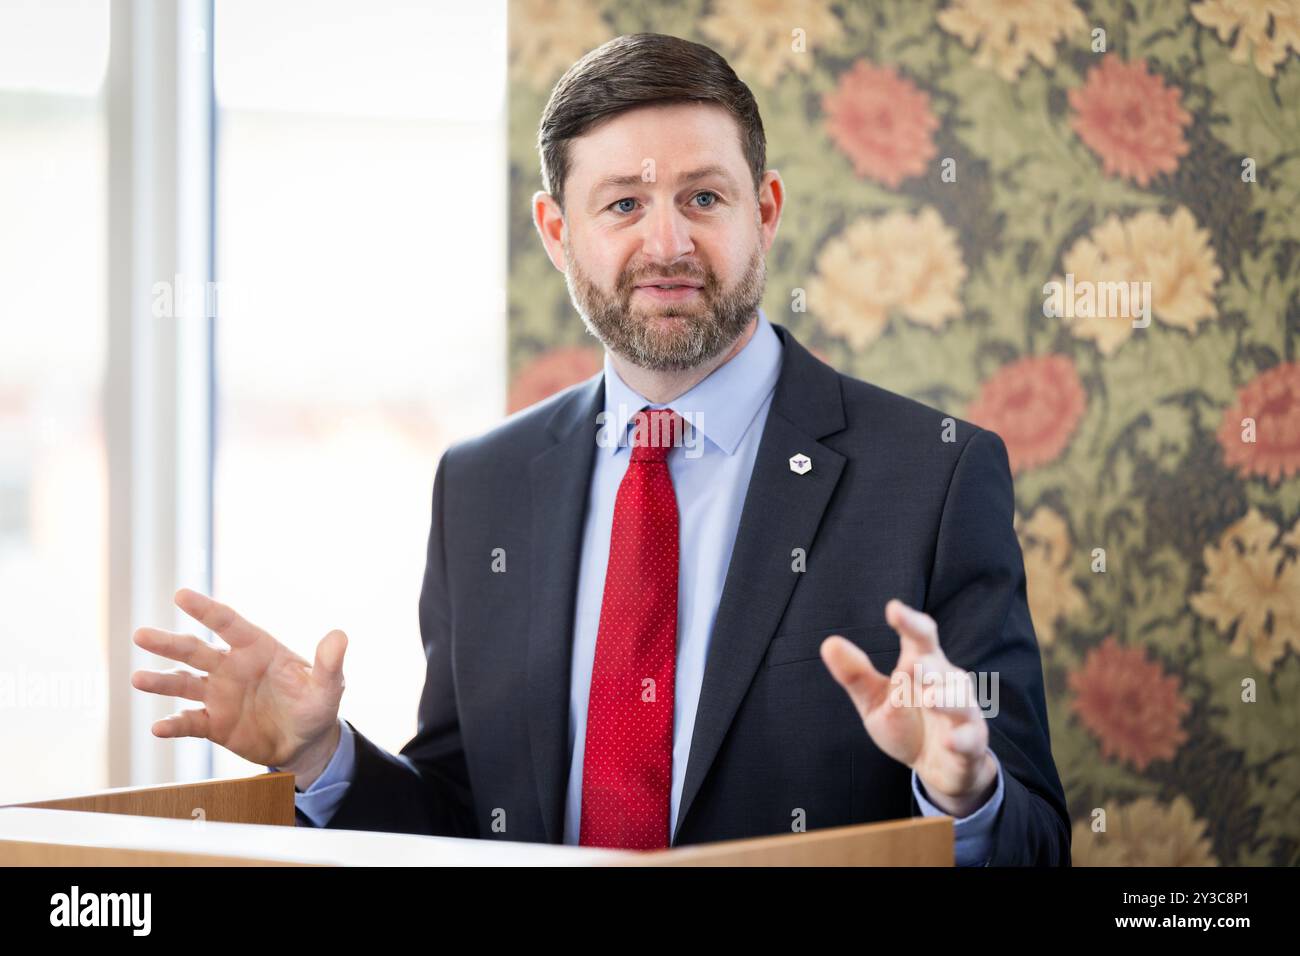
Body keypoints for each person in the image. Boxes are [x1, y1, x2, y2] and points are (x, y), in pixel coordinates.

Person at [132, 33, 1069, 865]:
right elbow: (462, 827)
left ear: (766, 210)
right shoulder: (482, 485)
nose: (669, 242)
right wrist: (320, 758)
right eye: (623, 204)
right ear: (556, 232)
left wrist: (961, 793)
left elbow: (1037, 842)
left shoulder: (935, 475)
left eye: (704, 196)